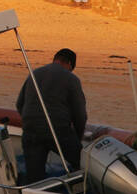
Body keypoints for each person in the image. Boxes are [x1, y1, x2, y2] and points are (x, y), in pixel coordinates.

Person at [15, 48, 88, 183]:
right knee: (82, 164)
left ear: (55, 59)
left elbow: (19, 104)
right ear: (70, 64)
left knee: (34, 178)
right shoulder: (71, 79)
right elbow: (80, 115)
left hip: (30, 130)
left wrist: (30, 122)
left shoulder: (34, 73)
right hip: (58, 130)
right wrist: (77, 138)